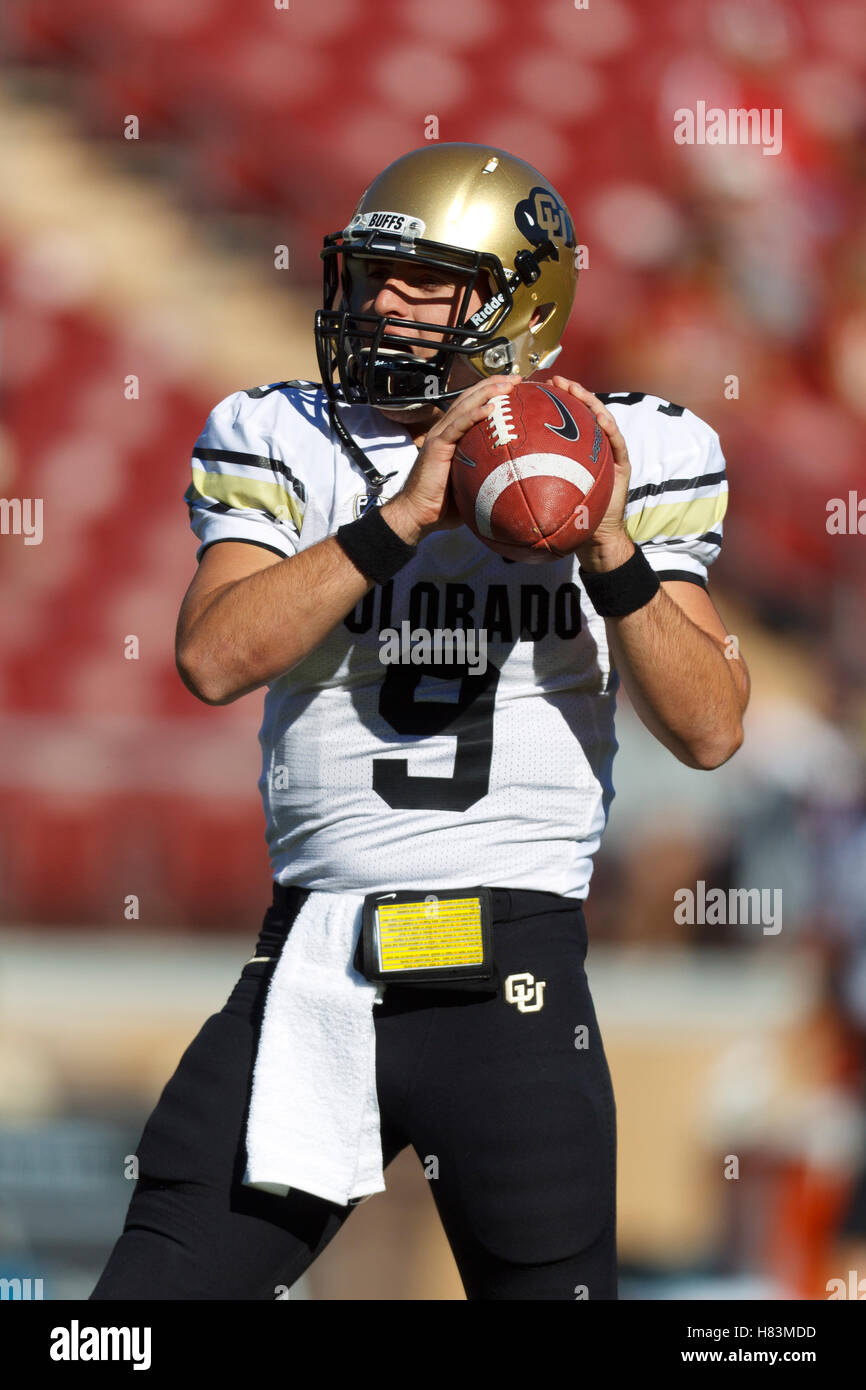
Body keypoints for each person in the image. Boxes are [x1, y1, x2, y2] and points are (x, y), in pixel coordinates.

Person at [90, 142, 749, 1301]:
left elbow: (708, 728)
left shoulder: (639, 447)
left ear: (516, 300)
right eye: (372, 273)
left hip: (515, 980)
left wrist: (607, 541)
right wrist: (402, 516)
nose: (381, 301)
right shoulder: (284, 431)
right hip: (311, 964)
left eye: (425, 280)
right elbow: (211, 655)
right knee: (130, 1324)